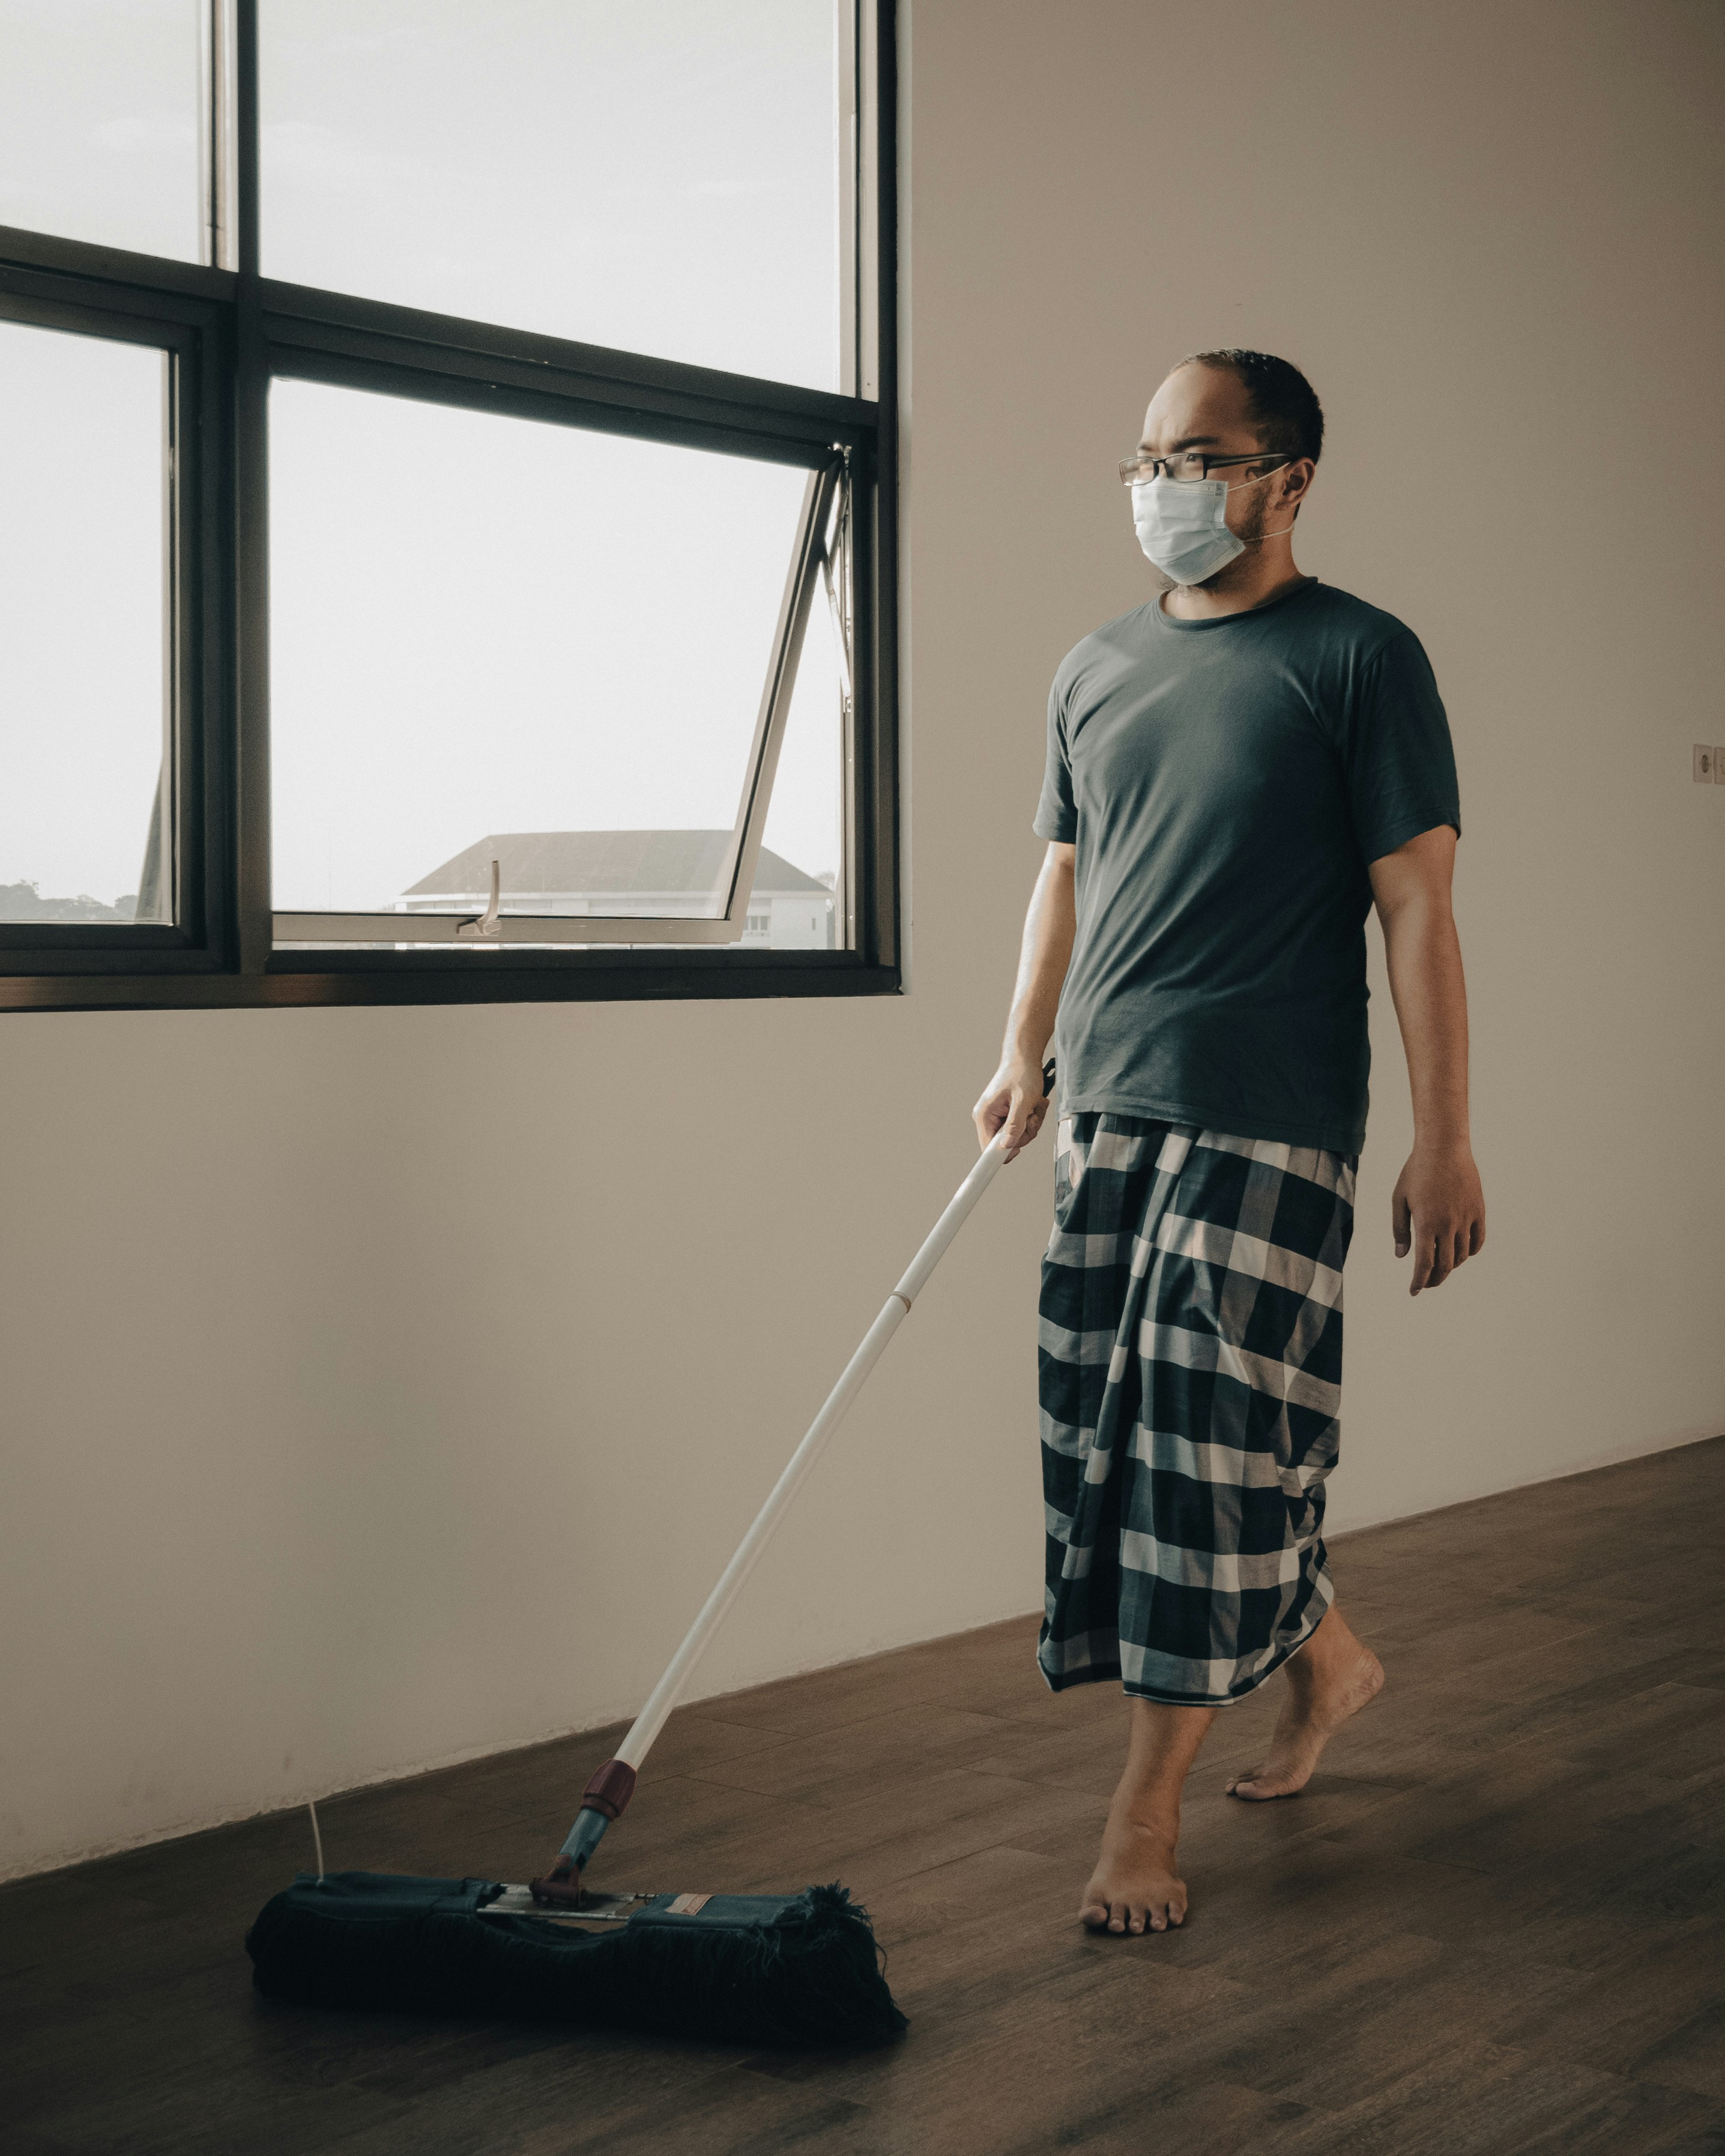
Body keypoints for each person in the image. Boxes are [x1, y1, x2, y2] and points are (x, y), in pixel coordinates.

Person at [973, 349, 1486, 1937]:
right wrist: (1016, 1052)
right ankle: (1321, 1652)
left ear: (1284, 479)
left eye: (1194, 455)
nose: (1159, 485)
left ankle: (1141, 1816)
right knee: (1128, 1441)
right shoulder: (1092, 667)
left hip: (1269, 1117)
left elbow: (1414, 904)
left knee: (1204, 1443)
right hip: (1106, 1109)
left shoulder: (1359, 657)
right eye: (1143, 455)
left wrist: (1441, 1137)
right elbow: (1064, 876)